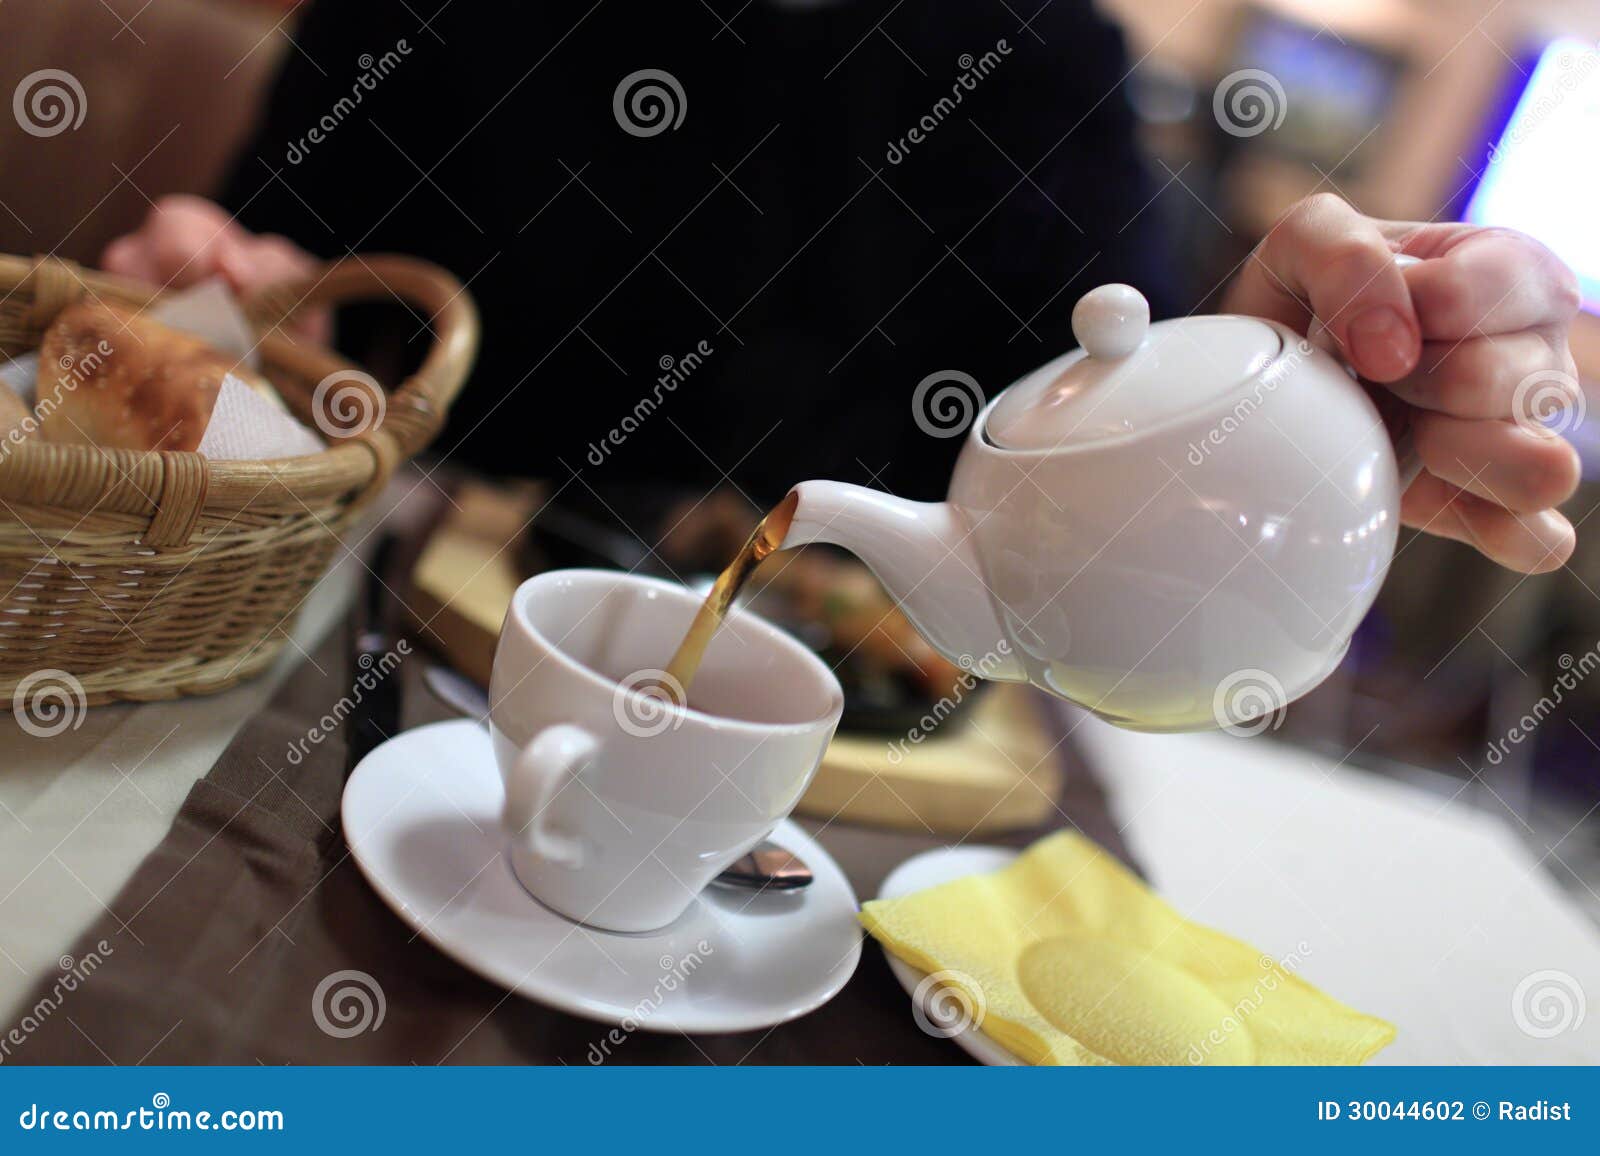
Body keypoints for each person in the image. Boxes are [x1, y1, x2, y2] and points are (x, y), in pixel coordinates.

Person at [102, 0, 1581, 574]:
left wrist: (1257, 425)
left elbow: (1100, 467)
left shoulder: (1044, 56)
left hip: (859, 763)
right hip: (389, 619)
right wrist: (230, 312)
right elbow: (264, 273)